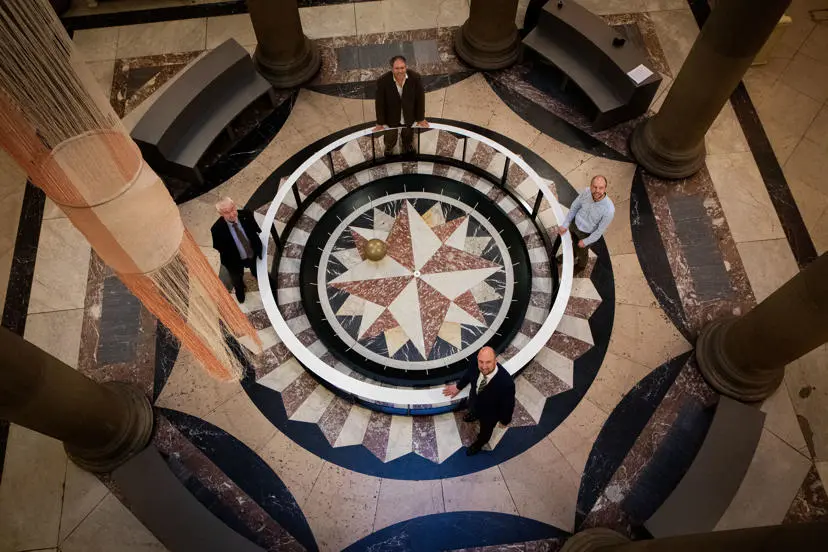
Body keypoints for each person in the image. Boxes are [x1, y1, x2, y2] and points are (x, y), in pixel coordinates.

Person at [443, 346, 515, 456]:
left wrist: (504, 421)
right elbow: (469, 374)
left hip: (489, 415)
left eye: (488, 362)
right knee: (472, 409)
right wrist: (458, 387)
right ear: (477, 360)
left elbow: (508, 406)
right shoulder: (474, 363)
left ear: (495, 361)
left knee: (485, 432)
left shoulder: (506, 383)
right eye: (481, 362)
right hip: (474, 400)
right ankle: (473, 415)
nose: (484, 366)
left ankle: (479, 443)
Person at [552, 175, 615, 273]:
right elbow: (575, 206)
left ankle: (581, 266)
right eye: (594, 187)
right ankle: (571, 255)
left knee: (582, 253)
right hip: (575, 224)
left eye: (601, 188)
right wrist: (566, 224)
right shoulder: (586, 192)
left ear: (605, 188)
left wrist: (586, 241)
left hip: (587, 234)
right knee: (574, 243)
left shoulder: (609, 210)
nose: (597, 190)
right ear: (590, 186)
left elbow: (599, 231)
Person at [372, 55, 428, 155]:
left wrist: (421, 118)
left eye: (402, 68)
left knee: (408, 134)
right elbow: (380, 104)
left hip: (408, 115)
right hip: (391, 117)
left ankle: (407, 145)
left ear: (406, 67)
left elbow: (420, 99)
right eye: (397, 68)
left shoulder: (415, 78)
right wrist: (380, 122)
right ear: (392, 69)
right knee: (390, 136)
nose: (400, 71)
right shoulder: (383, 81)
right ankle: (389, 148)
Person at [211, 197, 263, 303]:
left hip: (251, 253)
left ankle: (262, 281)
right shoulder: (216, 229)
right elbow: (217, 246)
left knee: (257, 271)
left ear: (235, 206)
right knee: (237, 279)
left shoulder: (246, 214)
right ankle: (240, 290)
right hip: (233, 261)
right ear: (221, 214)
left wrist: (258, 248)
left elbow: (255, 230)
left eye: (232, 209)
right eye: (226, 212)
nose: (232, 214)